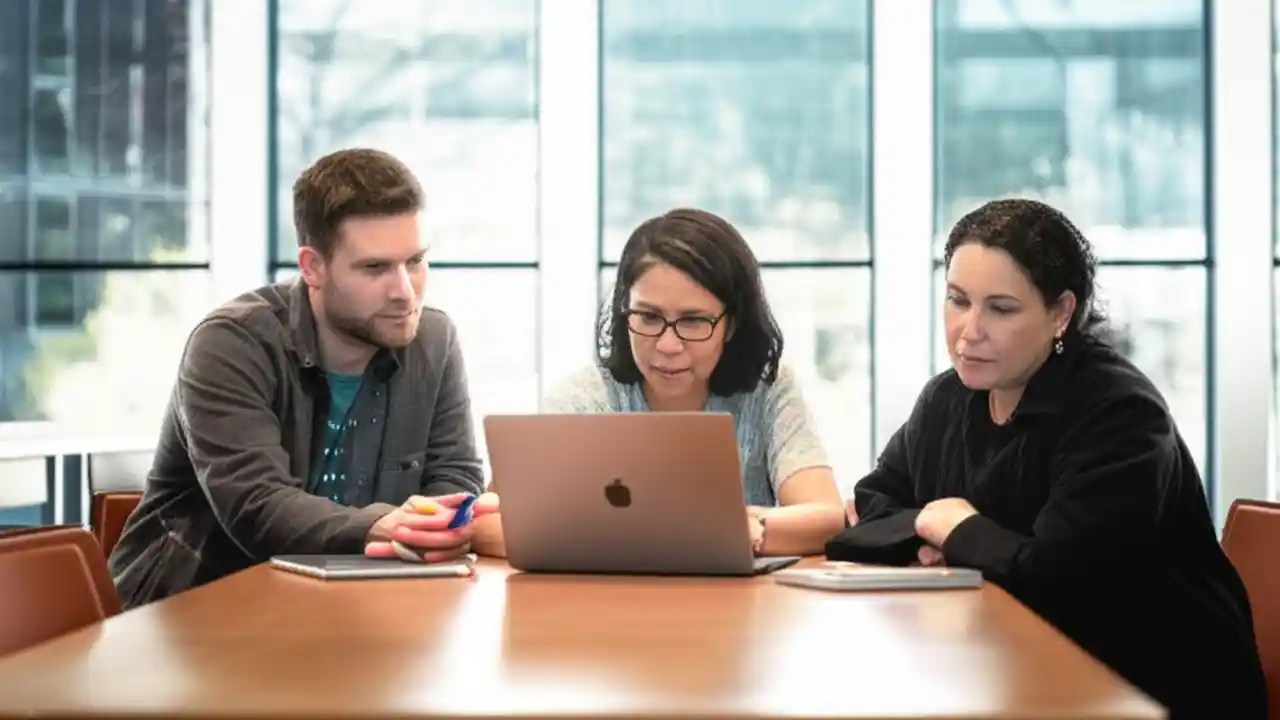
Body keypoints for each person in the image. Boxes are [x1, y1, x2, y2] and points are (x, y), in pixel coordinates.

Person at [847, 198, 1266, 718]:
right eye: (957, 300)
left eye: (1001, 309)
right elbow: (871, 505)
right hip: (1001, 665)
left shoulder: (1119, 413)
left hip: (1149, 683)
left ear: (1061, 313)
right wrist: (931, 534)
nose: (969, 330)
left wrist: (959, 531)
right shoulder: (947, 398)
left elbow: (1067, 583)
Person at [109, 148, 498, 608]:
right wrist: (383, 526)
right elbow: (257, 506)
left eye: (414, 260)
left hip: (361, 610)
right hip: (192, 612)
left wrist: (437, 526)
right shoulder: (230, 343)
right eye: (375, 268)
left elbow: (454, 478)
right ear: (313, 267)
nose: (404, 291)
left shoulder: (433, 339)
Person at [472, 208, 845, 558]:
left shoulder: (768, 389)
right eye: (648, 317)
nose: (667, 345)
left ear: (731, 325)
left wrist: (748, 525)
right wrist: (701, 530)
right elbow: (488, 524)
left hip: (740, 615)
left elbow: (826, 517)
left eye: (694, 321)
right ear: (623, 312)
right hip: (607, 612)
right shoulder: (586, 398)